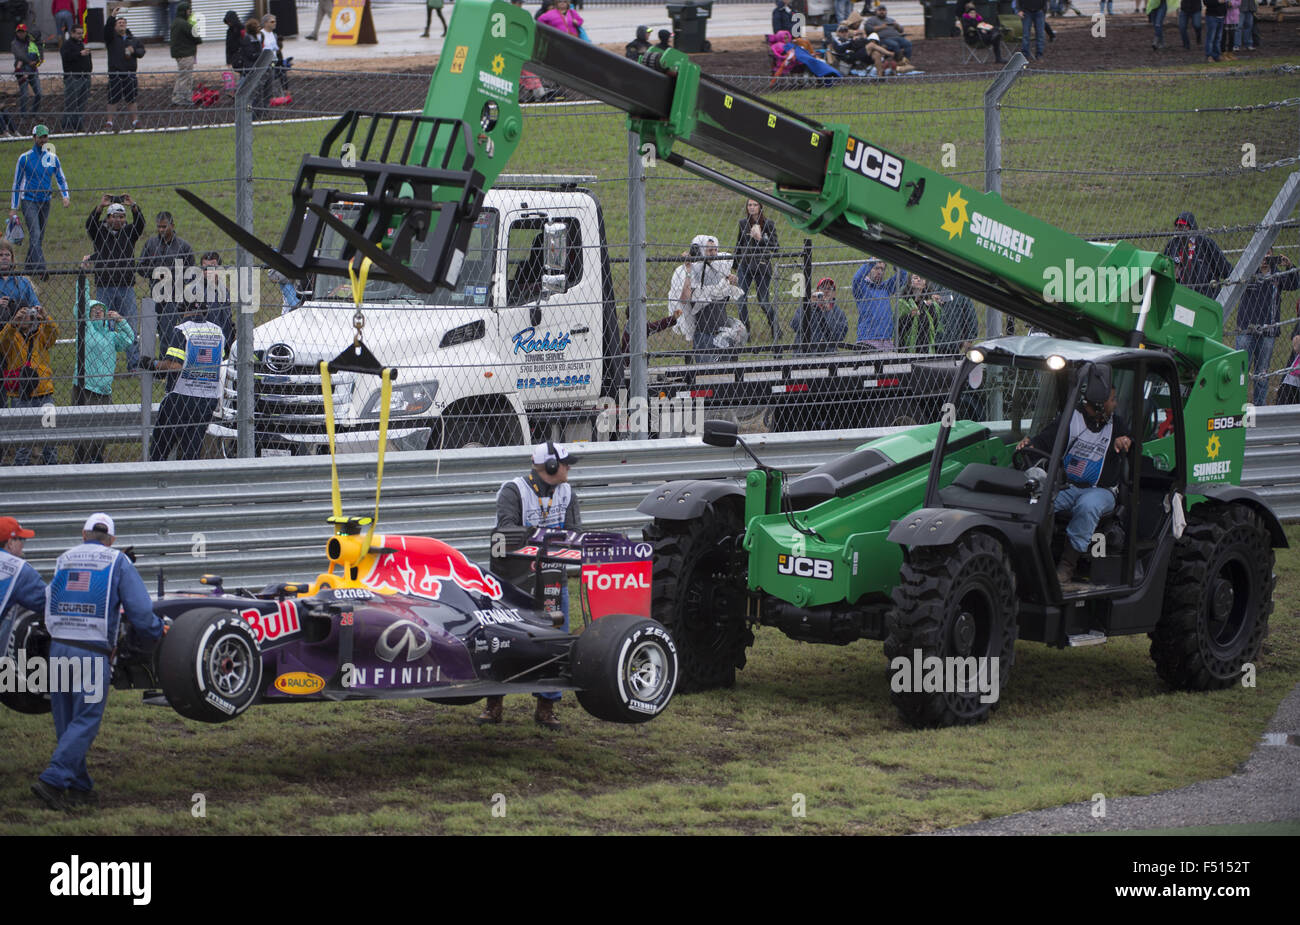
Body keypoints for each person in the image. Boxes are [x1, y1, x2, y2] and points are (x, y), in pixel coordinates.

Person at [32, 513, 164, 811]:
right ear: (112, 539)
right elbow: (141, 614)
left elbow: (48, 597)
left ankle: (80, 787)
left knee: (67, 721)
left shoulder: (64, 558)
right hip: (91, 652)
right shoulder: (119, 561)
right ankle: (53, 780)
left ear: (83, 534)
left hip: (59, 648)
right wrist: (159, 631)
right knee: (87, 720)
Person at [481, 442, 582, 729]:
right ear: (550, 466)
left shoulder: (567, 492)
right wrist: (550, 540)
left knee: (555, 642)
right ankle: (494, 703)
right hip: (511, 580)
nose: (569, 467)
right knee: (500, 639)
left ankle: (546, 708)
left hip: (553, 578)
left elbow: (575, 535)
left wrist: (542, 542)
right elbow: (507, 532)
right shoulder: (513, 491)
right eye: (565, 463)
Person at [1016, 365, 1132, 583]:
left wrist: (1124, 440)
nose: (1115, 404)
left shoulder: (1116, 424)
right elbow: (1044, 441)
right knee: (1041, 502)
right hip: (1068, 486)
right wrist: (1028, 444)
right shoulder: (1071, 419)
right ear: (1099, 402)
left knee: (1088, 507)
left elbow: (1128, 440)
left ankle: (1067, 566)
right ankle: (1038, 558)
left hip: (1101, 490)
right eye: (1112, 400)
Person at [141, 298, 224, 461]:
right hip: (208, 398)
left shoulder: (182, 329)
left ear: (182, 310)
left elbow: (174, 365)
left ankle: (155, 477)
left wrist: (152, 364)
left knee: (160, 448)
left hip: (181, 397)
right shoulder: (217, 331)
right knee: (191, 451)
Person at [71, 259, 133, 463]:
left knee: (102, 429)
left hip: (104, 389)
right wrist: (84, 276)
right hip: (85, 388)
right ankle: (81, 459)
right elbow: (81, 301)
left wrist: (121, 321)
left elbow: (128, 340)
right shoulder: (85, 329)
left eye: (101, 309)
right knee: (83, 428)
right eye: (94, 310)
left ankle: (97, 458)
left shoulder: (110, 335)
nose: (98, 312)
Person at [87, 195, 146, 370]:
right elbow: (89, 224)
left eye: (122, 217)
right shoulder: (99, 233)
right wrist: (100, 207)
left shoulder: (129, 233)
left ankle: (134, 365)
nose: (118, 220)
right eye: (114, 216)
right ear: (108, 218)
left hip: (126, 287)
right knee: (101, 325)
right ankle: (102, 364)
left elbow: (140, 224)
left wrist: (134, 206)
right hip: (104, 287)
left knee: (130, 326)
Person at [1235, 249, 1298, 406]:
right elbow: (1235, 279)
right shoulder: (1249, 272)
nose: (1264, 258)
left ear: (1272, 256)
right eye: (1261, 254)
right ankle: (1236, 405)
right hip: (1246, 328)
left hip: (1268, 330)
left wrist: (1289, 266)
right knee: (1241, 371)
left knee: (1262, 372)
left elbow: (1294, 284)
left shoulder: (1277, 275)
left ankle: (1260, 407)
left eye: (1268, 255)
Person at [1, 295, 58, 465]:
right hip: (20, 394)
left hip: (44, 392)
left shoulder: (41, 333)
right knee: (23, 441)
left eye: (28, 313)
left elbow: (54, 335)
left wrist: (46, 317)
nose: (26, 318)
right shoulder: (11, 335)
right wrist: (13, 324)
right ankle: (21, 471)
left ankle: (52, 468)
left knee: (50, 436)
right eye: (22, 314)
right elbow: (2, 343)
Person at [669, 234, 742, 362]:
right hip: (704, 336)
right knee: (707, 375)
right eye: (709, 250)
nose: (713, 253)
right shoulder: (692, 274)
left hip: (724, 333)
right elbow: (685, 298)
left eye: (715, 250)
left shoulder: (720, 269)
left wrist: (732, 280)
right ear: (701, 251)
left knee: (729, 374)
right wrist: (688, 268)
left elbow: (727, 288)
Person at [10, 125, 69, 279]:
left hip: (46, 201)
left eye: (45, 137)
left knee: (39, 236)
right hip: (29, 200)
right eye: (41, 137)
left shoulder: (52, 158)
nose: (43, 140)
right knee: (35, 233)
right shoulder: (25, 158)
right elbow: (17, 183)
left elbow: (60, 178)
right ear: (34, 137)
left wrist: (65, 195)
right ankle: (42, 270)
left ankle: (28, 267)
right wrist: (14, 207)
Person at [137, 210, 195, 349]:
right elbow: (140, 267)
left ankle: (176, 364)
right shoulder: (150, 244)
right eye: (159, 226)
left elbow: (192, 271)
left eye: (164, 226)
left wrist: (178, 281)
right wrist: (156, 274)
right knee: (161, 333)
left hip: (177, 297)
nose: (161, 229)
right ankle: (164, 365)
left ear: (172, 225)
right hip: (156, 296)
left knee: (175, 333)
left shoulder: (183, 246)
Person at [733, 198, 781, 341]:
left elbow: (775, 247)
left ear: (760, 207)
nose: (752, 207)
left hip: (762, 266)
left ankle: (775, 328)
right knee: (741, 300)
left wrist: (760, 239)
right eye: (749, 205)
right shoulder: (743, 223)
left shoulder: (769, 224)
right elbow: (739, 244)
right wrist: (734, 265)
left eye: (755, 205)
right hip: (745, 265)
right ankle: (746, 333)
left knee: (763, 301)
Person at [1161, 211, 1230, 298]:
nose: (1179, 229)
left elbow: (1222, 265)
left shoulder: (1205, 243)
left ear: (1190, 226)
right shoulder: (1173, 244)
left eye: (1182, 226)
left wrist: (1234, 277)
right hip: (1180, 291)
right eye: (1177, 226)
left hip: (1205, 292)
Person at [0, 516, 46, 633]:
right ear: (10, 543)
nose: (23, 545)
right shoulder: (19, 569)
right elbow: (47, 602)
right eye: (21, 539)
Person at [852, 258, 907, 348]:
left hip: (887, 340)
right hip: (868, 339)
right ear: (869, 269)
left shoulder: (885, 288)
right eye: (876, 268)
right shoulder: (862, 288)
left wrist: (895, 259)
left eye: (882, 269)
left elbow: (902, 277)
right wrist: (872, 260)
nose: (880, 272)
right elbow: (856, 279)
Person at [104, 10, 145, 131]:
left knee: (131, 99)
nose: (121, 24)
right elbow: (107, 29)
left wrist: (134, 51)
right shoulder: (111, 39)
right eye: (119, 22)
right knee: (112, 99)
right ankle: (109, 122)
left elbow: (142, 52)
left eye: (123, 22)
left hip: (130, 73)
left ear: (126, 25)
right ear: (115, 26)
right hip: (115, 73)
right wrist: (112, 16)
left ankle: (135, 121)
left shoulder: (133, 39)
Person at [793, 277, 848, 352]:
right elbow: (795, 326)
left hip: (828, 355)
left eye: (829, 289)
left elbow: (839, 336)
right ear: (817, 292)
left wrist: (828, 311)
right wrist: (809, 307)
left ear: (834, 294)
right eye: (823, 288)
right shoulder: (805, 308)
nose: (826, 291)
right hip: (804, 353)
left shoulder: (839, 313)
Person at [896, 273, 942, 351]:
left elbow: (935, 324)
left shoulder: (927, 304)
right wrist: (910, 316)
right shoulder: (903, 302)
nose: (919, 279)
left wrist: (932, 306)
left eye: (922, 278)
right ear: (910, 283)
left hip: (926, 348)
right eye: (916, 278)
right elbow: (897, 327)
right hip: (908, 348)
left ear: (925, 284)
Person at [60, 24, 92, 132]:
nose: (80, 35)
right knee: (71, 103)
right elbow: (66, 57)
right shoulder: (66, 45)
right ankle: (67, 126)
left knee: (82, 103)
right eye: (78, 33)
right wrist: (79, 54)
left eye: (81, 33)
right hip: (73, 77)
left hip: (85, 77)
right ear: (72, 33)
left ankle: (78, 125)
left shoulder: (81, 44)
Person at [170, 1, 202, 107]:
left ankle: (176, 97)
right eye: (189, 10)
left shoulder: (175, 22)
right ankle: (184, 99)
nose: (190, 12)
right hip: (186, 54)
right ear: (184, 11)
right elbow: (197, 37)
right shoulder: (184, 24)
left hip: (179, 54)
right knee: (186, 78)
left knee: (182, 76)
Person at [12, 22, 42, 117]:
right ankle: (23, 114)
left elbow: (38, 53)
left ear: (26, 32)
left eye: (23, 32)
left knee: (39, 94)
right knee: (24, 94)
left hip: (33, 70)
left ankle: (34, 112)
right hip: (21, 71)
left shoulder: (32, 42)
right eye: (19, 32)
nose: (21, 34)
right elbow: (19, 55)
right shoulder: (14, 43)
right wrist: (30, 61)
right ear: (16, 33)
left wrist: (36, 60)